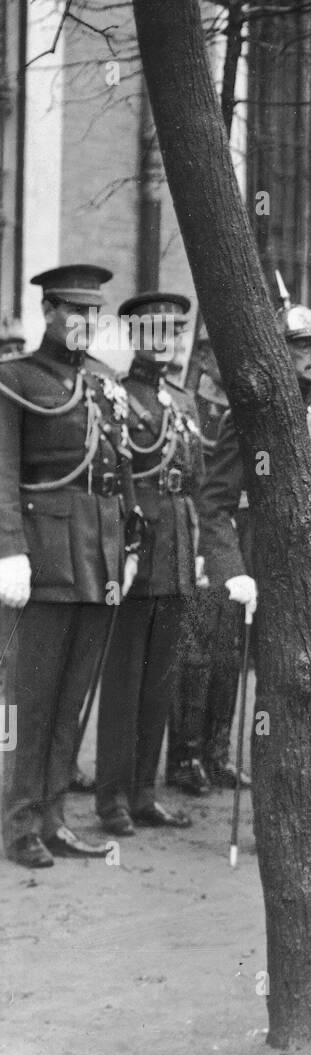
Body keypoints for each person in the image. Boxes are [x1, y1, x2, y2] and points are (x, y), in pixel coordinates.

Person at [198, 288, 311, 851]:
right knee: (285, 697)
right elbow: (214, 501)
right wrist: (231, 569)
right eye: (301, 346)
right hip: (282, 571)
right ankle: (284, 813)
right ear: (276, 351)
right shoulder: (253, 418)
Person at [0, 265, 141, 867]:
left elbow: (122, 471)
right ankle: (19, 821)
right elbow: (2, 473)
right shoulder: (16, 380)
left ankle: (54, 816)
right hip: (46, 553)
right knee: (28, 697)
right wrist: (9, 552)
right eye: (75, 312)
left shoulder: (106, 384)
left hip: (100, 555)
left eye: (94, 314)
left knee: (74, 696)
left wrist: (130, 544)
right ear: (50, 313)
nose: (85, 324)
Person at [95, 293, 203, 836]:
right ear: (135, 336)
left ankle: (144, 792)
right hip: (139, 549)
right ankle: (111, 797)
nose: (167, 342)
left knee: (160, 680)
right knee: (124, 679)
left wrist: (199, 550)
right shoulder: (116, 396)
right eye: (157, 332)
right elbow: (116, 479)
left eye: (174, 332)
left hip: (179, 548)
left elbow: (198, 482)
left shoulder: (183, 402)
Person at [165, 328, 245, 795]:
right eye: (215, 352)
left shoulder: (236, 406)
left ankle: (216, 753)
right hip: (192, 534)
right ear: (201, 355)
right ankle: (185, 756)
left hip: (227, 536)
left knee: (227, 654)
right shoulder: (187, 402)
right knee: (193, 656)